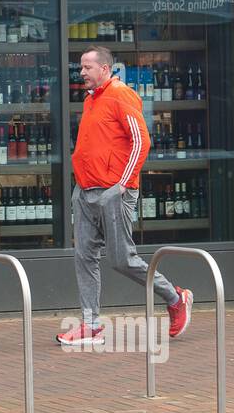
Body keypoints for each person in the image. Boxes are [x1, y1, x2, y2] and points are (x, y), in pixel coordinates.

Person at [59, 45, 193, 347]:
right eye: (81, 68)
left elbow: (141, 141)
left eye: (87, 68)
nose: (81, 73)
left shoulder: (121, 95)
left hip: (113, 192)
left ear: (104, 69)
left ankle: (175, 298)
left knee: (122, 260)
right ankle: (90, 325)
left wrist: (122, 184)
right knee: (84, 257)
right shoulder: (91, 100)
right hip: (85, 191)